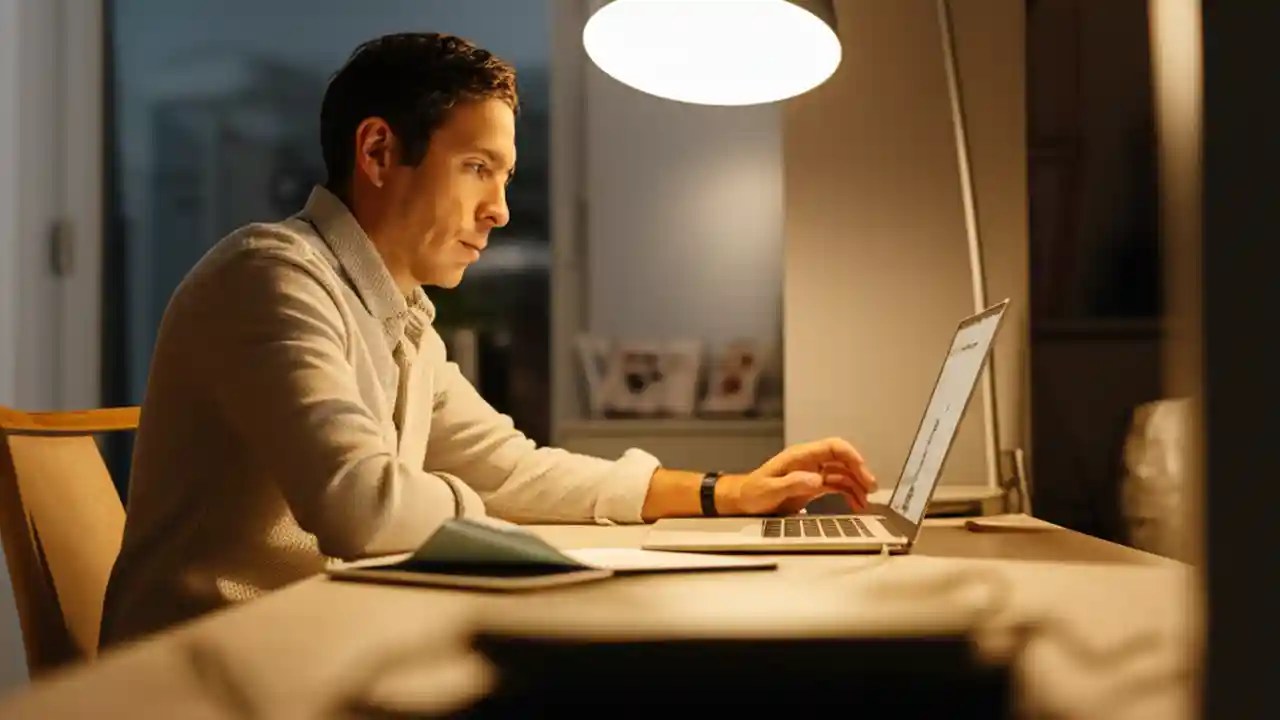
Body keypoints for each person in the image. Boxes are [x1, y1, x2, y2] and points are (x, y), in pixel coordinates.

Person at [99, 32, 877, 647]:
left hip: (311, 644)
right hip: (209, 674)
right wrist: (504, 529)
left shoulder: (398, 315)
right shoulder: (272, 278)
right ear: (377, 153)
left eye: (505, 177)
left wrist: (725, 492)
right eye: (478, 168)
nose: (500, 211)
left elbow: (511, 466)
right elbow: (363, 511)